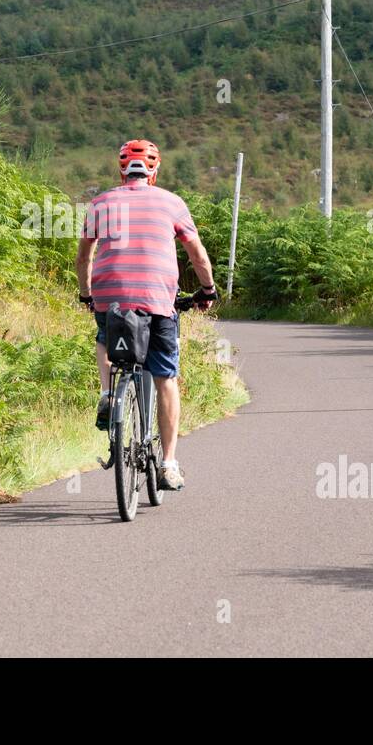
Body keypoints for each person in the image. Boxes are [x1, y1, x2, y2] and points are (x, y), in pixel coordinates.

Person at [76, 139, 217, 491]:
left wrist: (86, 294)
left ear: (122, 169)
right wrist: (208, 290)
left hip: (112, 298)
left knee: (105, 339)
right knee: (165, 378)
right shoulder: (172, 203)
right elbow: (197, 255)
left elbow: (83, 258)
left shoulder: (101, 202)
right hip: (157, 300)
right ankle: (169, 464)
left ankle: (108, 394)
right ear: (155, 170)